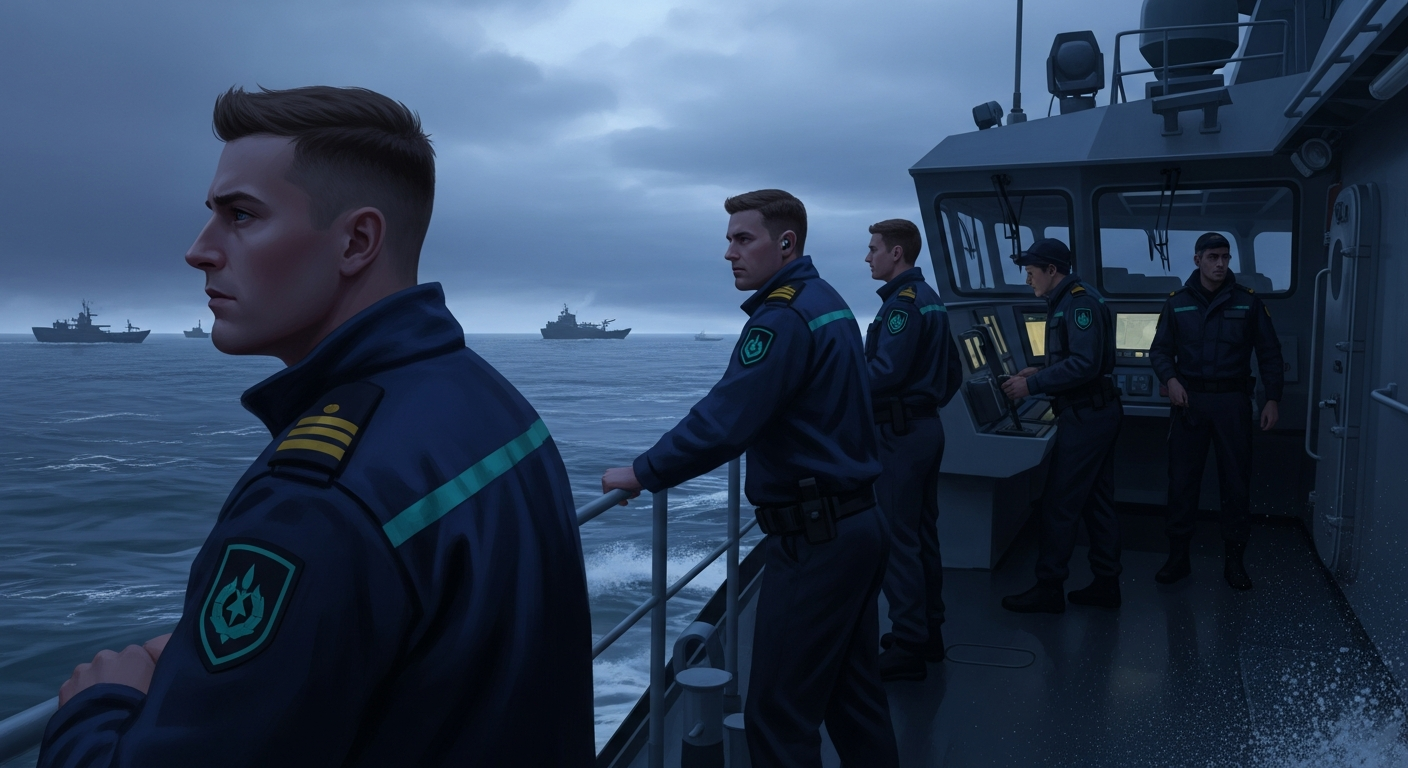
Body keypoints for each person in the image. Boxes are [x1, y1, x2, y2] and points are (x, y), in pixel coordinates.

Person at [38, 86, 594, 767]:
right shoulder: (496, 406)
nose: (198, 251)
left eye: (240, 216)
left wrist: (98, 707)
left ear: (357, 241)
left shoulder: (313, 504)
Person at [601, 190, 899, 768]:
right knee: (853, 700)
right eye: (730, 239)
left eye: (743, 239)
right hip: (858, 524)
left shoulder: (783, 317)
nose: (729, 253)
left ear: (785, 243)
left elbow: (724, 420)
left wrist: (641, 471)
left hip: (816, 541)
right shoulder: (829, 302)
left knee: (778, 715)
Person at [1149, 232, 1284, 590]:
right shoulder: (1177, 303)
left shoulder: (1247, 303)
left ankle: (1235, 562)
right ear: (1197, 260)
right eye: (1213, 257)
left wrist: (1272, 398)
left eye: (1225, 257)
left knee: (1236, 483)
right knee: (1182, 483)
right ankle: (1178, 559)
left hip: (1231, 404)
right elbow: (1159, 351)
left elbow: (1270, 353)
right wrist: (1171, 379)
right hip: (1189, 402)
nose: (1220, 264)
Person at [999, 238, 1123, 614]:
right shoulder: (1070, 299)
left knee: (1059, 503)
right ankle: (1106, 583)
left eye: (1032, 271)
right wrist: (1040, 371)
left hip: (1087, 415)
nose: (1028, 278)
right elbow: (1077, 360)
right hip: (1094, 410)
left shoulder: (1079, 302)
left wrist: (1031, 385)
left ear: (1052, 271)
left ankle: (1049, 588)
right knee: (1097, 503)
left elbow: (1084, 364)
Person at [862, 219, 962, 682]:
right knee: (922, 535)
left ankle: (907, 643)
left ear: (896, 254)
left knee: (899, 540)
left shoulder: (902, 307)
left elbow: (884, 371)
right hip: (926, 428)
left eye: (873, 249)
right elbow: (954, 374)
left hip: (900, 435)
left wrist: (834, 380)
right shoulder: (932, 301)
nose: (868, 257)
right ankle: (930, 630)